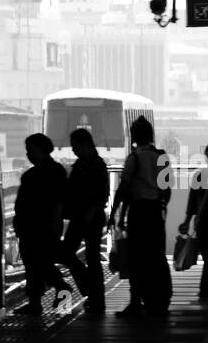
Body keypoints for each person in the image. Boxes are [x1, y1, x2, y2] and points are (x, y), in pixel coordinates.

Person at [109, 116, 173, 318]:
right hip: (155, 212)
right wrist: (162, 206)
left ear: (134, 136)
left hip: (138, 212)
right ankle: (161, 298)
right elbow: (167, 189)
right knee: (156, 256)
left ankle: (136, 300)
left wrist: (115, 215)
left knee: (136, 258)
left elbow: (124, 189)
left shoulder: (133, 158)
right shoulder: (161, 157)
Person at [13, 134, 71, 315]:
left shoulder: (37, 174)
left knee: (36, 264)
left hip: (37, 226)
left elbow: (58, 200)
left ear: (40, 149)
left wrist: (54, 223)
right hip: (39, 226)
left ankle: (41, 299)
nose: (28, 153)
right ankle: (42, 299)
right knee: (40, 263)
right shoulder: (56, 170)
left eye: (30, 149)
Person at [63, 127, 110, 315]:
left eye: (75, 146)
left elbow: (101, 194)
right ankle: (93, 294)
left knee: (73, 254)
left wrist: (90, 210)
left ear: (84, 144)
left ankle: (94, 296)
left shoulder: (92, 165)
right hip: (83, 217)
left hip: (87, 217)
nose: (73, 150)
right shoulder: (91, 163)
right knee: (88, 257)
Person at [179, 142, 208, 303]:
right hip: (207, 220)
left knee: (207, 255)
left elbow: (192, 202)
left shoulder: (204, 176)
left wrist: (188, 219)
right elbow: (192, 201)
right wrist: (187, 220)